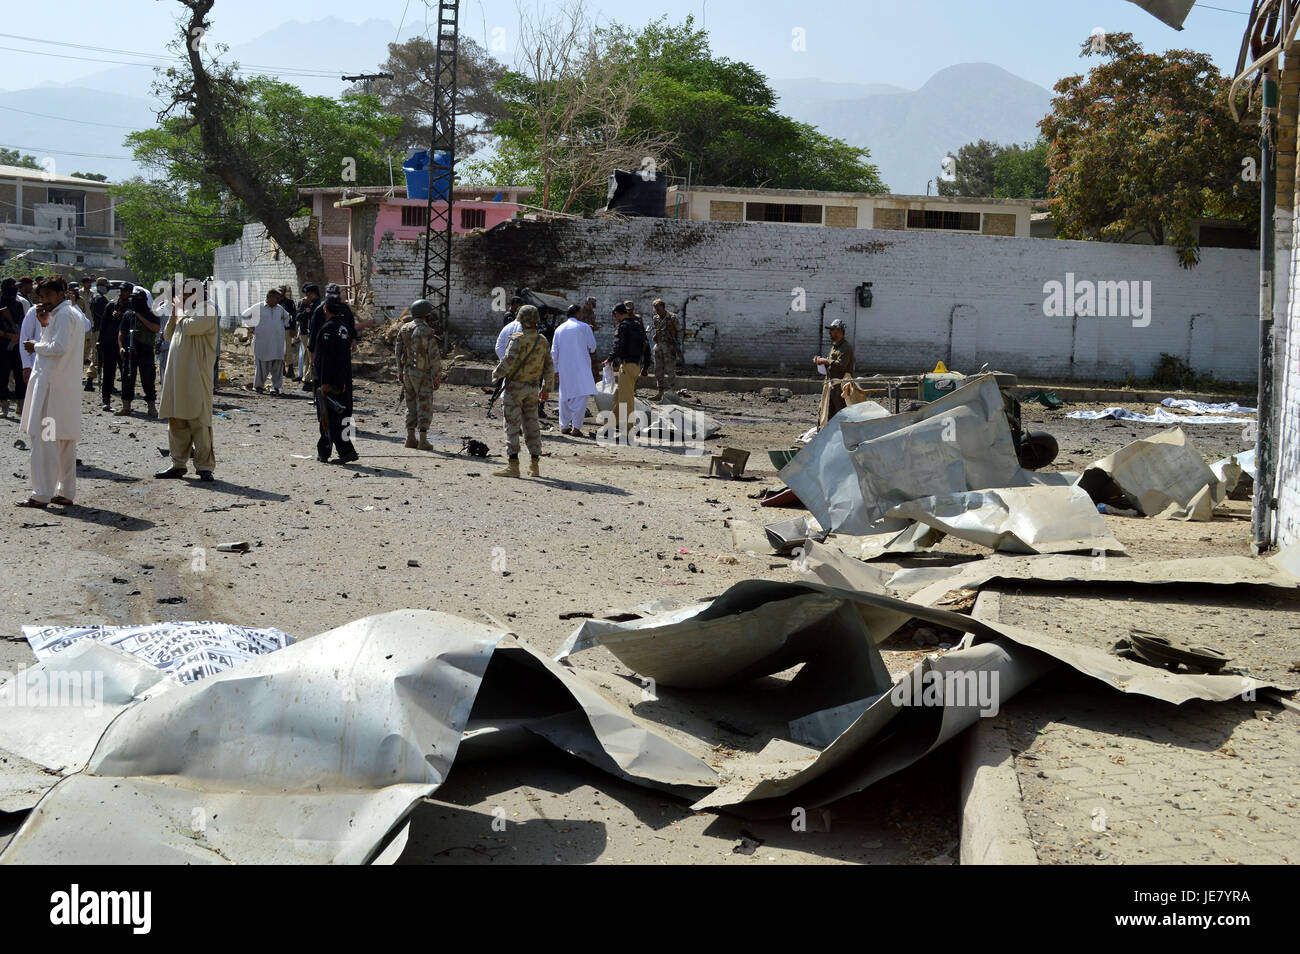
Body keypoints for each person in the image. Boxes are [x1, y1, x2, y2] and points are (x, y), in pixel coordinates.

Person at [16, 276, 90, 508]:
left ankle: (41, 493)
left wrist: (34, 346)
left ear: (62, 293)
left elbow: (59, 348)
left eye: (49, 295)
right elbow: (60, 343)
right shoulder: (70, 314)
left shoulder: (66, 315)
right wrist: (45, 324)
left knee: (45, 440)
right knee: (63, 440)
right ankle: (65, 492)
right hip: (62, 388)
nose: (45, 300)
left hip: (52, 389)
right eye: (42, 296)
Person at [155, 292, 218, 482]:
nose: (180, 298)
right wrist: (174, 313)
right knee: (176, 420)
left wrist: (180, 310)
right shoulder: (181, 314)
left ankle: (204, 467)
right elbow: (167, 335)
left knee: (199, 421)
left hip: (196, 375)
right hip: (177, 376)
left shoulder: (207, 309)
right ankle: (178, 464)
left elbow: (191, 327)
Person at [491, 304, 553, 478]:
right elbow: (549, 366)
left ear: (522, 320)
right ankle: (534, 466)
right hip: (533, 388)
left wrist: (496, 375)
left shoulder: (517, 339)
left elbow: (508, 361)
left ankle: (513, 465)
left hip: (515, 388)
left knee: (512, 424)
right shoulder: (542, 340)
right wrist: (546, 389)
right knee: (532, 424)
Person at [394, 298, 443, 451]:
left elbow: (397, 352)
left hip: (408, 372)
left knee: (410, 404)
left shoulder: (404, 329)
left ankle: (410, 438)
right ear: (425, 315)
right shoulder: (427, 332)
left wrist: (399, 371)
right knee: (424, 405)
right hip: (423, 374)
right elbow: (434, 357)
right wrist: (437, 376)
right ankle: (423, 440)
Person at [313, 299, 358, 464]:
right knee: (336, 417)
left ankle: (344, 452)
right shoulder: (343, 328)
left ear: (325, 309)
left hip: (329, 381)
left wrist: (324, 382)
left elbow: (326, 358)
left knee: (328, 417)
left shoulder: (329, 329)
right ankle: (325, 452)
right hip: (341, 379)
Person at [603, 302, 648, 443]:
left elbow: (619, 345)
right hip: (636, 366)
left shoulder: (623, 326)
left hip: (627, 366)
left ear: (617, 314)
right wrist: (646, 366)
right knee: (618, 398)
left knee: (626, 401)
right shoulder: (638, 324)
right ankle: (608, 429)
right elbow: (646, 346)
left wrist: (610, 359)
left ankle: (627, 433)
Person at [551, 303, 597, 437]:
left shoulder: (559, 329)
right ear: (577, 314)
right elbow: (592, 347)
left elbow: (554, 352)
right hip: (581, 367)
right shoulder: (584, 327)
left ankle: (564, 426)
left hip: (564, 368)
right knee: (581, 397)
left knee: (564, 396)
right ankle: (576, 428)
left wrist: (555, 370)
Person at [116, 287, 159, 418]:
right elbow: (121, 333)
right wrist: (121, 347)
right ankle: (126, 407)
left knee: (148, 379)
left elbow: (156, 328)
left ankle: (151, 407)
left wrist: (140, 316)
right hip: (130, 351)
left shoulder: (151, 314)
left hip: (146, 351)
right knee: (127, 379)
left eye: (136, 300)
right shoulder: (128, 314)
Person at [240, 288, 290, 394]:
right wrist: (251, 326)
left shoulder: (279, 308)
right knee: (262, 364)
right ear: (269, 297)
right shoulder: (258, 307)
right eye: (276, 298)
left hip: (277, 341)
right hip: (263, 341)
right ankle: (258, 386)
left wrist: (282, 325)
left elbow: (287, 317)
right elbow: (245, 315)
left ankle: (275, 387)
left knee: (277, 364)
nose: (278, 300)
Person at [814, 317, 855, 429]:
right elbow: (831, 362)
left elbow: (841, 366)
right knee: (828, 412)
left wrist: (826, 361)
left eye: (833, 330)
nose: (830, 332)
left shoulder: (846, 347)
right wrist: (820, 361)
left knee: (841, 413)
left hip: (841, 387)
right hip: (832, 386)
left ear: (840, 331)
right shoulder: (835, 347)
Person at [98, 284, 130, 411]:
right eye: (121, 291)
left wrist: (122, 316)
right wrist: (99, 341)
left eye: (125, 291)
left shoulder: (132, 308)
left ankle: (126, 403)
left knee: (126, 374)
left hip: (124, 345)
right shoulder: (111, 305)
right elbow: (103, 324)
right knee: (108, 373)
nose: (122, 293)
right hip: (109, 344)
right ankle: (106, 400)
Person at [0, 279, 27, 415]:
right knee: (2, 376)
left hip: (17, 346)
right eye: (13, 287)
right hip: (2, 346)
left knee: (19, 375)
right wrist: (8, 335)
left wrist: (19, 336)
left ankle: (20, 405)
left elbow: (23, 324)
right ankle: (4, 404)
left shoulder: (18, 305)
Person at [650, 298, 681, 402]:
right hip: (658, 347)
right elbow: (657, 330)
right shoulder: (656, 318)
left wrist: (676, 345)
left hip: (669, 348)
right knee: (658, 370)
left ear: (663, 307)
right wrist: (655, 336)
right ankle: (660, 392)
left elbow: (680, 333)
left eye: (658, 309)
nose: (657, 311)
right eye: (655, 309)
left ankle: (672, 393)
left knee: (670, 370)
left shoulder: (672, 318)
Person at [85, 276, 109, 392]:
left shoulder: (94, 297)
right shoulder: (101, 299)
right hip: (100, 331)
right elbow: (104, 316)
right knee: (99, 357)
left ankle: (92, 380)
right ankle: (91, 380)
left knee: (97, 356)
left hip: (95, 329)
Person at [296, 283, 319, 388]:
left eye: (308, 294)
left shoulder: (318, 304)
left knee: (311, 356)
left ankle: (309, 379)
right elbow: (298, 317)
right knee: (306, 356)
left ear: (313, 294)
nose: (306, 296)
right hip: (305, 333)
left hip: (314, 333)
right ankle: (307, 379)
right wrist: (304, 306)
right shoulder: (305, 303)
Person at [579, 295, 601, 382]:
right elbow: (578, 326)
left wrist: (595, 327)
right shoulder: (579, 313)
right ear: (586, 303)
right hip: (581, 341)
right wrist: (588, 327)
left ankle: (595, 381)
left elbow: (592, 324)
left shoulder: (592, 313)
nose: (592, 307)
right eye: (591, 305)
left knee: (594, 361)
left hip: (590, 339)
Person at [278, 285, 297, 379]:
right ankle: (281, 369)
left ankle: (290, 369)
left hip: (286, 329)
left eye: (281, 290)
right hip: (277, 330)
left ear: (285, 292)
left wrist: (293, 329)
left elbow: (293, 316)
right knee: (279, 350)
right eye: (279, 290)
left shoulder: (289, 302)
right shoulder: (276, 302)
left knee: (288, 350)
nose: (280, 292)